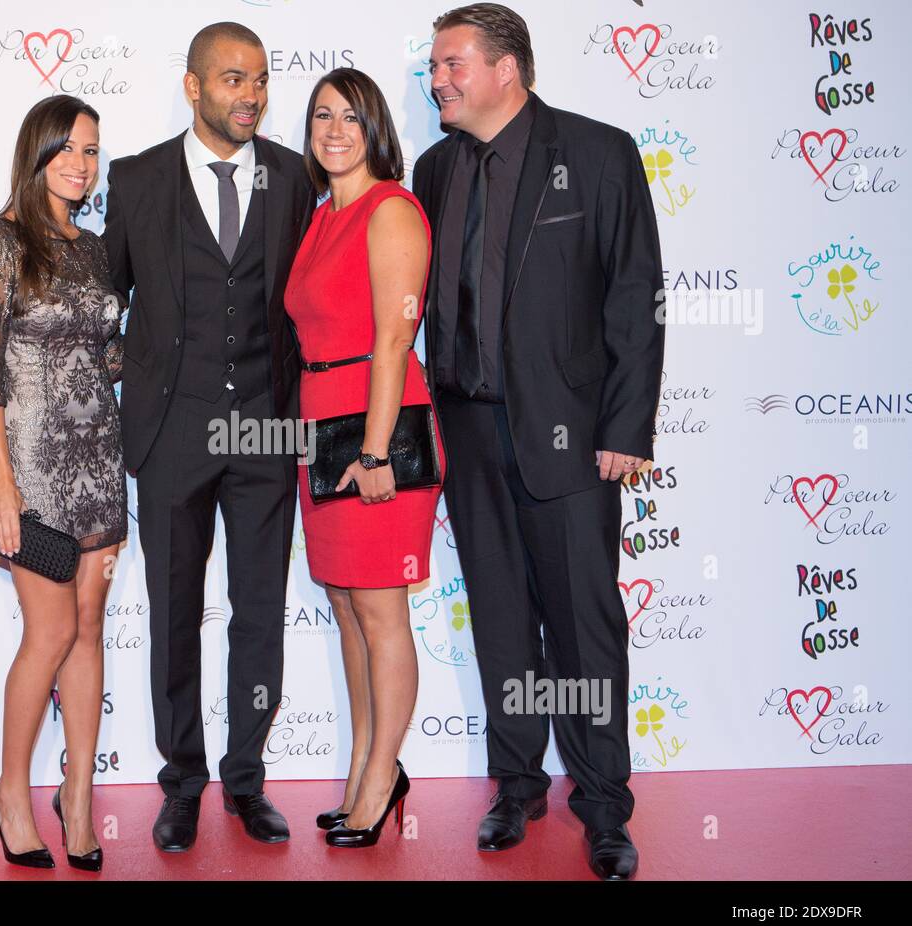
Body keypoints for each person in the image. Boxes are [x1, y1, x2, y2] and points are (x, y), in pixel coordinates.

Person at [415, 4, 665, 880]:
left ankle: (602, 805)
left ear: (506, 69)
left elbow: (634, 296)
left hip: (572, 440)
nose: (436, 80)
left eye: (450, 65)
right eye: (434, 67)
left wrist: (625, 429)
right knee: (502, 622)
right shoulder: (435, 166)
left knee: (585, 629)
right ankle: (517, 785)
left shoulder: (598, 154)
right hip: (470, 433)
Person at [102, 22, 313, 852]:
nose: (250, 96)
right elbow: (104, 305)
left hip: (264, 428)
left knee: (259, 615)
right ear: (193, 87)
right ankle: (182, 781)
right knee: (173, 616)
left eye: (259, 81)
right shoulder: (138, 179)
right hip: (172, 434)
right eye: (232, 80)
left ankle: (247, 779)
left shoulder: (296, 178)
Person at [0, 94, 126, 872]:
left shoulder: (94, 249)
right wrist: (2, 486)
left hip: (101, 465)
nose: (80, 164)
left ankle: (80, 798)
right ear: (36, 153)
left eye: (91, 151)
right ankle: (12, 793)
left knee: (89, 631)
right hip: (33, 471)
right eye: (66, 148)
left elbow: (108, 359)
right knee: (50, 633)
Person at [283, 68, 443, 848]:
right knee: (346, 607)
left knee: (381, 610)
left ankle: (382, 780)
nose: (334, 129)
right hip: (320, 425)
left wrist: (376, 450)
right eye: (321, 116)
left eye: (350, 116)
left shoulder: (391, 211)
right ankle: (362, 768)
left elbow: (392, 338)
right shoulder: (320, 217)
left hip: (380, 429)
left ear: (376, 127)